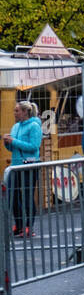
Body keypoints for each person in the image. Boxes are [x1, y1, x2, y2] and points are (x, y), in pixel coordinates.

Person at [3, 100, 43, 238]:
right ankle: (19, 224)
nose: (14, 113)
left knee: (27, 197)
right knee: (12, 196)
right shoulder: (15, 127)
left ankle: (28, 226)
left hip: (29, 165)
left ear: (25, 112)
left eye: (17, 110)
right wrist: (7, 143)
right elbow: (12, 148)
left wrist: (14, 141)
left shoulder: (34, 126)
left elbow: (34, 146)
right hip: (15, 165)